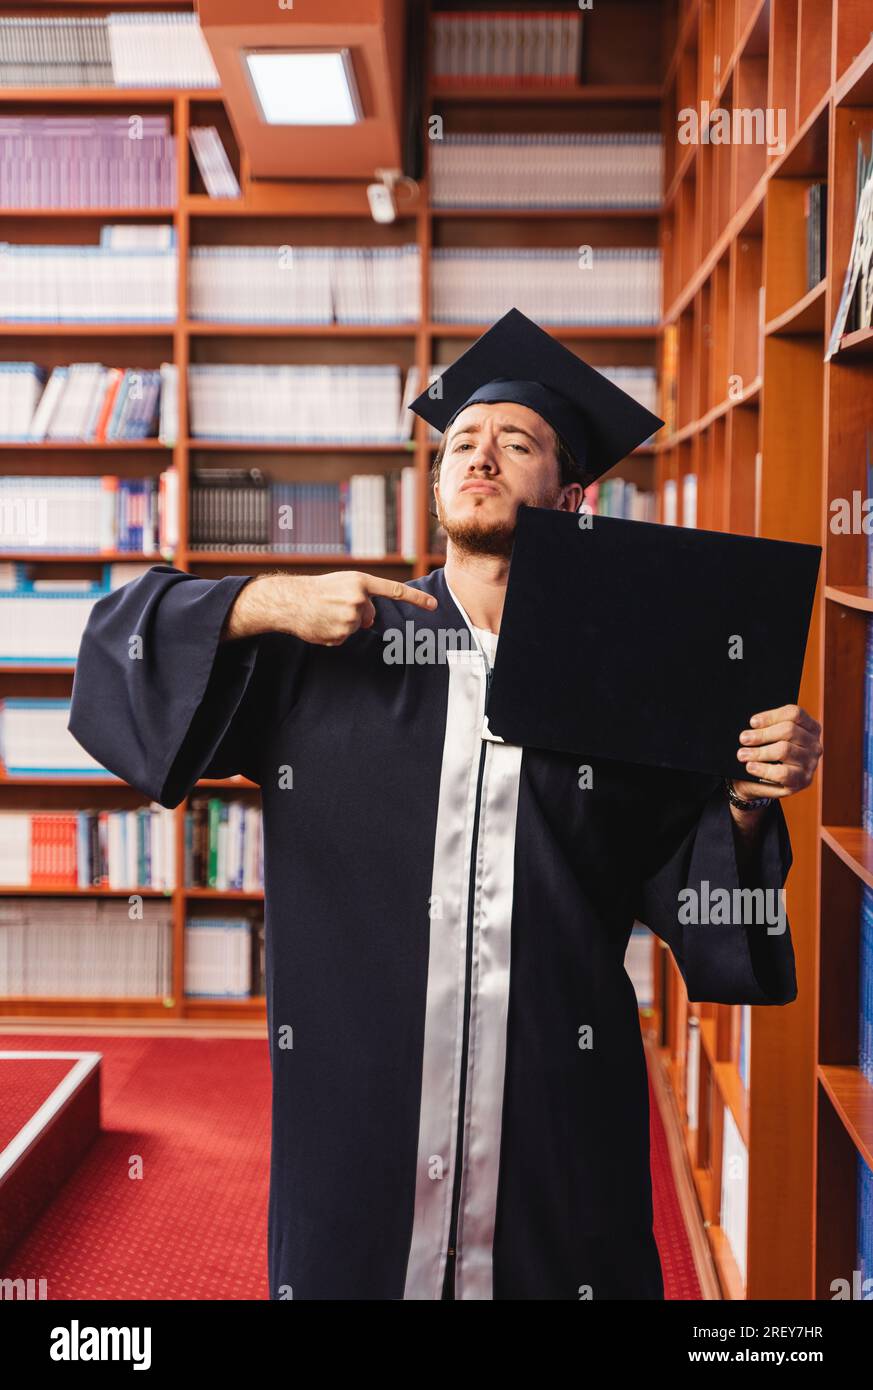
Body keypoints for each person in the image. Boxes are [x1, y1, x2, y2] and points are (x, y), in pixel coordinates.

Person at [68, 308, 822, 1300]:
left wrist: (749, 796)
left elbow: (697, 895)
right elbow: (115, 651)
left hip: (553, 1117)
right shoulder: (333, 643)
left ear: (573, 497)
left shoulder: (626, 680)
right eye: (462, 441)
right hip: (359, 1123)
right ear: (434, 485)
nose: (481, 455)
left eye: (518, 443)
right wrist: (269, 600)